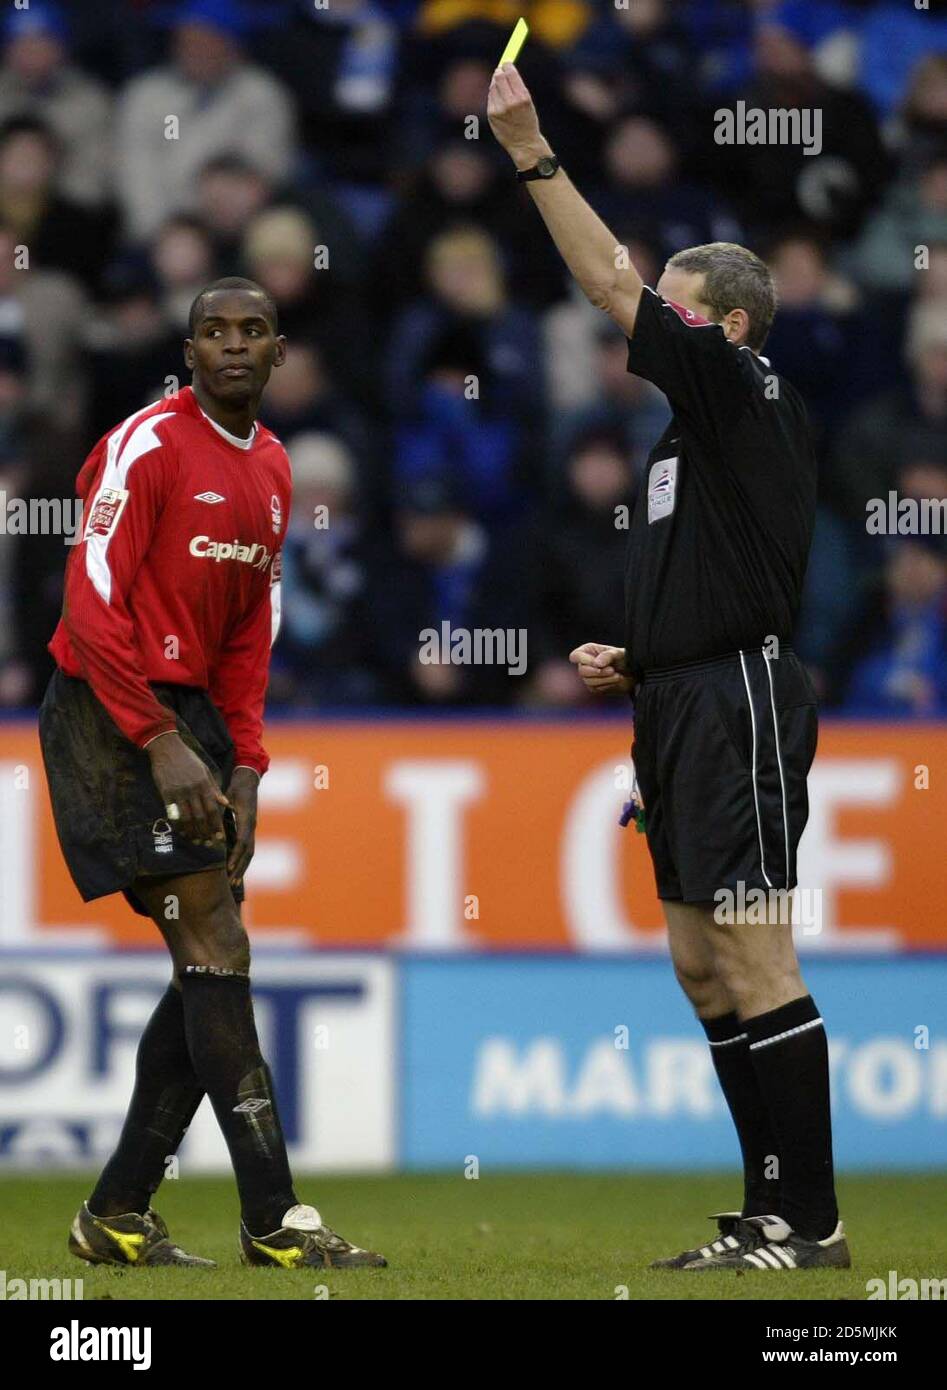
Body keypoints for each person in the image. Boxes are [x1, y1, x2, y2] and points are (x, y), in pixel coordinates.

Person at [488, 62, 846, 1272]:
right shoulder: (680, 445)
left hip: (738, 698)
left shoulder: (742, 387)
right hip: (677, 699)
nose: (646, 321)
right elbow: (717, 571)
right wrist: (634, 655)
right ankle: (765, 1210)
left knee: (754, 948)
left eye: (673, 307)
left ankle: (813, 1225)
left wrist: (532, 150)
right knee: (700, 965)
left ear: (725, 324)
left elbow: (602, 276)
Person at [38, 276, 385, 1272]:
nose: (232, 346)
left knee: (205, 963)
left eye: (252, 332)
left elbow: (247, 636)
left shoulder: (272, 470)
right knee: (215, 939)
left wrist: (245, 766)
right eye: (212, 332)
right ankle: (274, 1219)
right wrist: (156, 738)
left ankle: (115, 1214)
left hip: (190, 722)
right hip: (110, 711)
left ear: (279, 353)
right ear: (188, 352)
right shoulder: (145, 444)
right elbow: (92, 599)